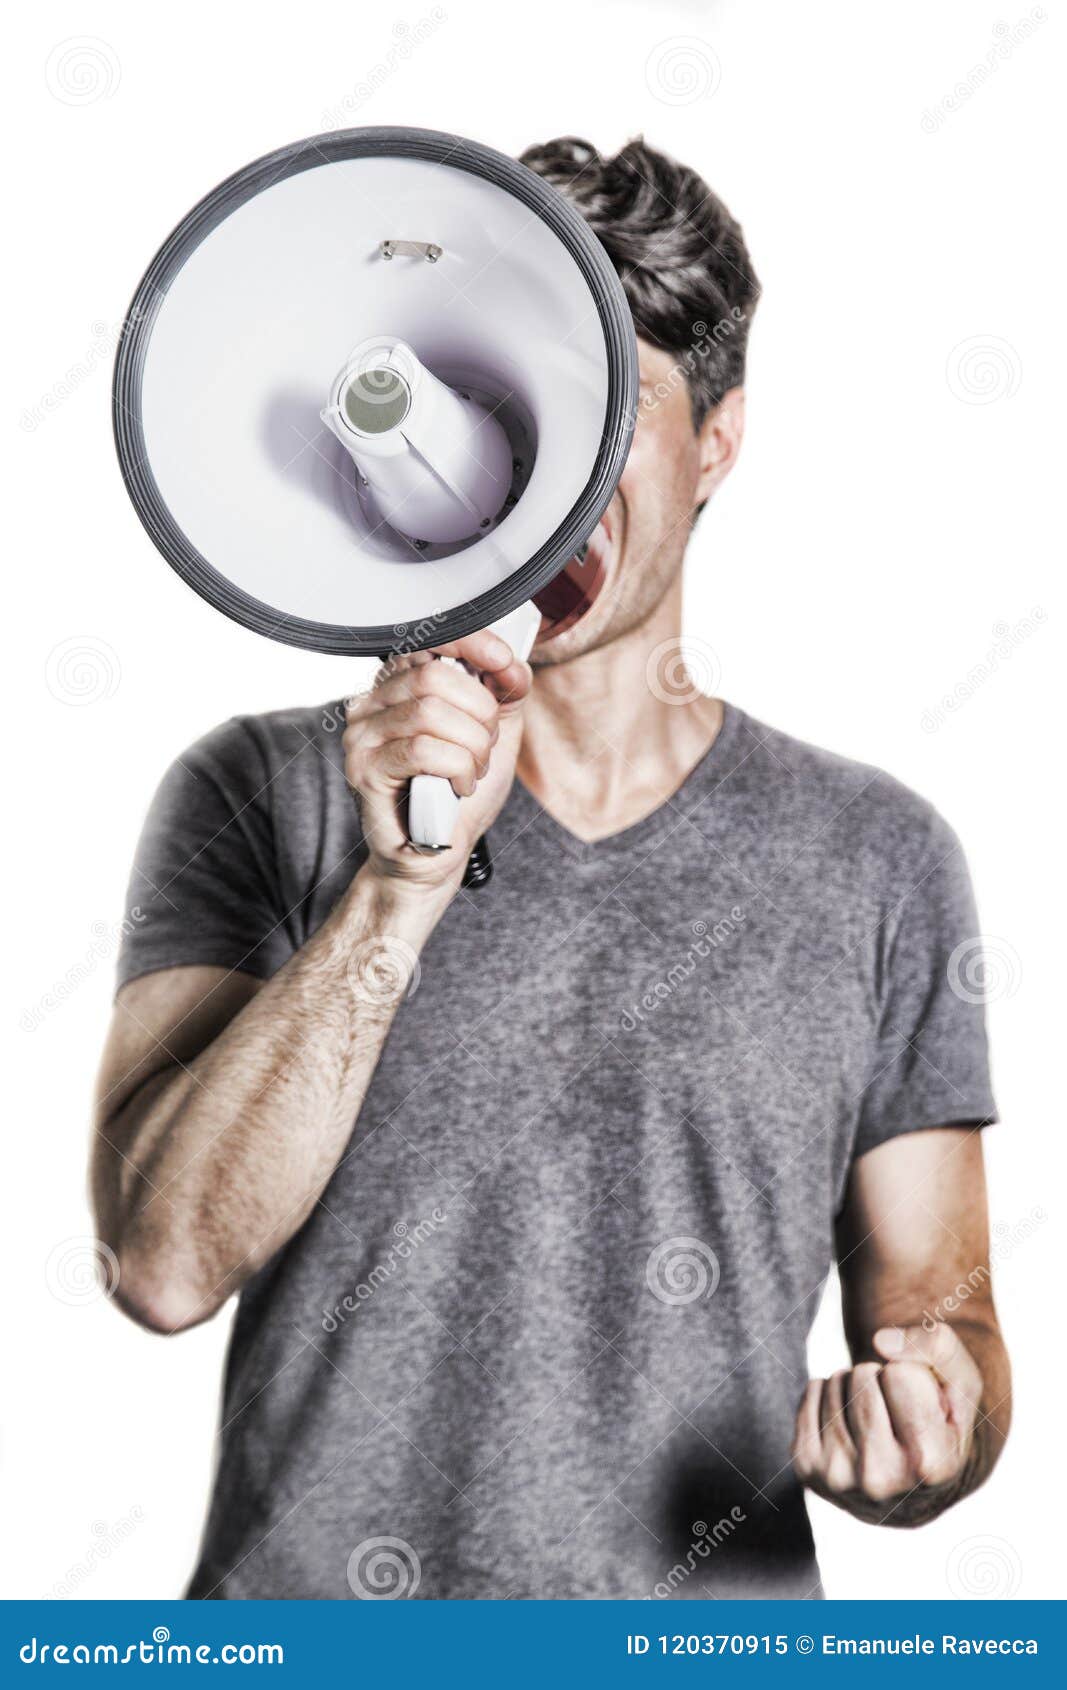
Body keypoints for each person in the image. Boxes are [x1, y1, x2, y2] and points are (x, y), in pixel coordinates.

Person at [92, 136, 1010, 1600]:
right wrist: (394, 891)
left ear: (717, 442)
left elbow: (945, 1313)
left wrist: (932, 1421)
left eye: (609, 413)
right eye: (504, 407)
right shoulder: (257, 793)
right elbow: (161, 1264)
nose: (550, 479)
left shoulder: (880, 858)